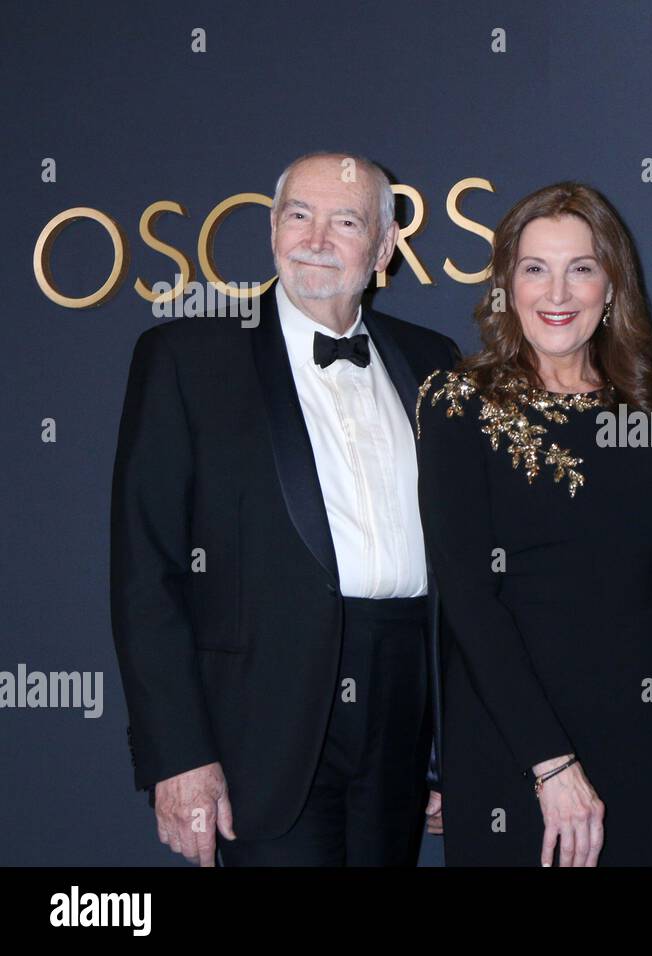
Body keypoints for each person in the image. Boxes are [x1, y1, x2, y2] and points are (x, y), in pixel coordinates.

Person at [110, 152, 459, 866]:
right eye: (298, 215)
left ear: (385, 248)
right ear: (273, 229)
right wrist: (179, 758)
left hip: (401, 709)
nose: (316, 239)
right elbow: (146, 572)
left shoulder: (433, 362)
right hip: (258, 731)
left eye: (346, 221)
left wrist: (451, 748)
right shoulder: (186, 356)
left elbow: (460, 564)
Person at [415, 182, 652, 866]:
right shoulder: (460, 402)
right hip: (514, 739)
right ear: (507, 282)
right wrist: (550, 763)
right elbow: (469, 598)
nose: (557, 291)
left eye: (582, 267)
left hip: (649, 732)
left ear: (612, 284)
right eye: (535, 268)